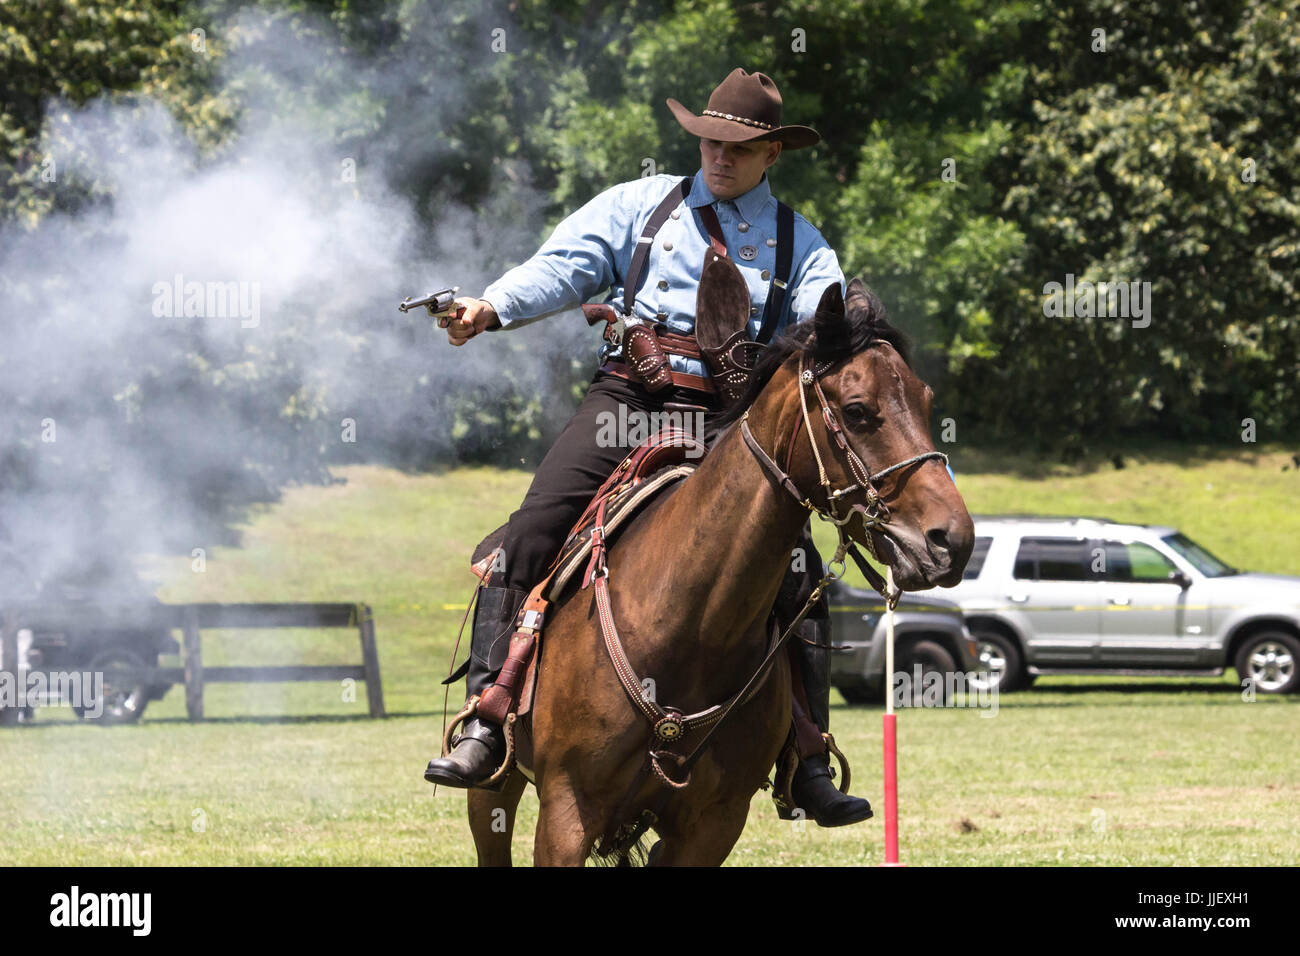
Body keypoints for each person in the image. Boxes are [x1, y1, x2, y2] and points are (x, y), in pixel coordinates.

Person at [424, 68, 872, 827]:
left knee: (796, 569)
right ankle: (488, 716)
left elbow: (829, 332)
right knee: (531, 531)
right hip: (628, 405)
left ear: (771, 153)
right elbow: (561, 268)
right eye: (709, 141)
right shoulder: (640, 206)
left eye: (736, 147)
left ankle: (806, 757)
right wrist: (491, 305)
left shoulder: (803, 243)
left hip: (733, 425)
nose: (718, 157)